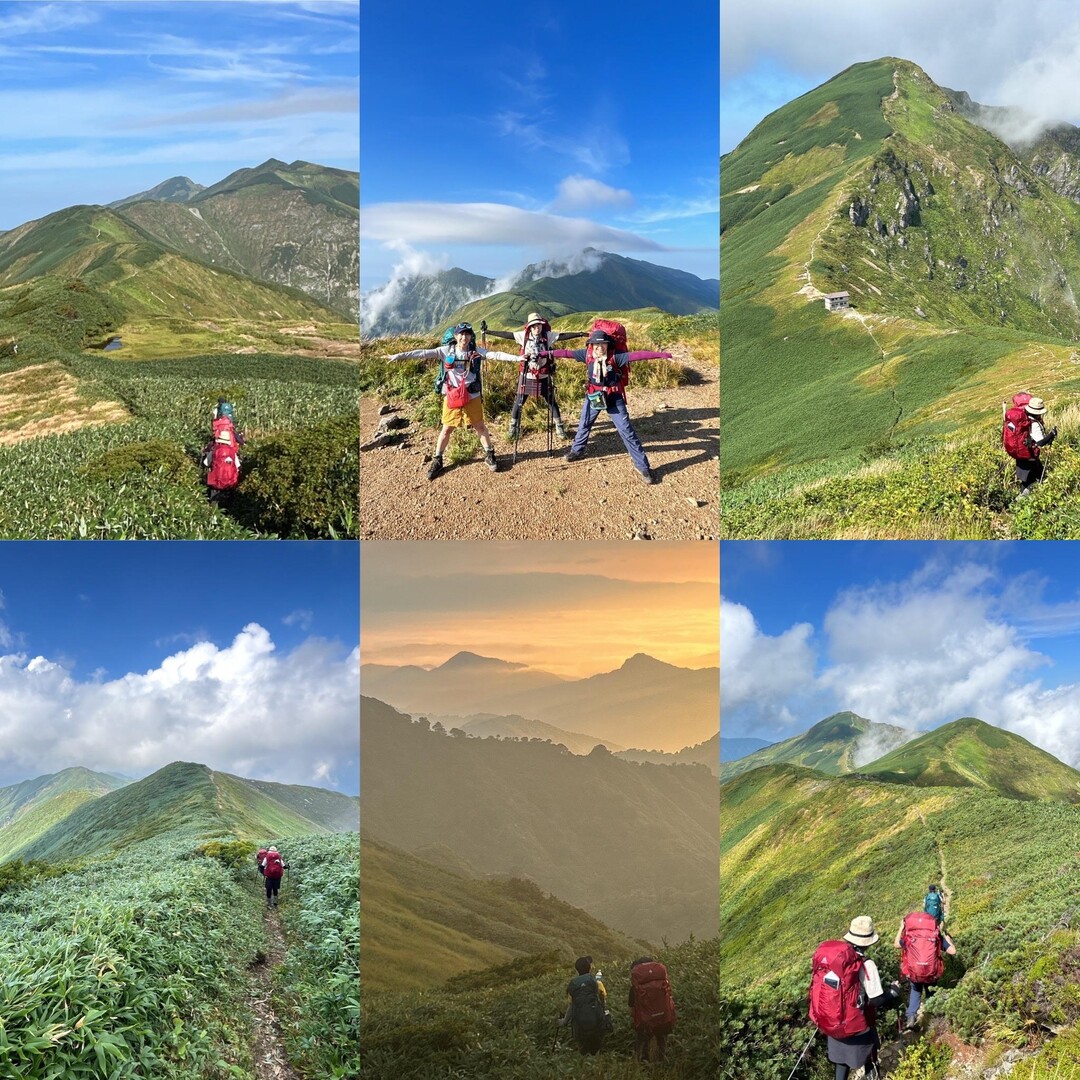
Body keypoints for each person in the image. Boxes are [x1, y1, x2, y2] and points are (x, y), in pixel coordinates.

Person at [387, 323, 519, 480]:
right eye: (461, 334)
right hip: (452, 395)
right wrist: (398, 356)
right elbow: (422, 353)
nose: (464, 337)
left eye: (467, 334)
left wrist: (518, 358)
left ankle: (489, 454)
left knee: (479, 426)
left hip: (471, 394)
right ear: (456, 336)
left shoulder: (475, 352)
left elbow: (495, 354)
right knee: (447, 428)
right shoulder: (445, 351)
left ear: (471, 336)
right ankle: (438, 459)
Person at [547, 330, 673, 484]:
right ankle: (577, 451)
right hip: (594, 397)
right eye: (596, 344)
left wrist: (664, 355)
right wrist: (544, 353)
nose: (600, 347)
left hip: (613, 398)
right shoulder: (586, 355)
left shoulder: (616, 357)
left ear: (608, 345)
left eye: (603, 344)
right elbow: (566, 353)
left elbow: (638, 355)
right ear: (591, 345)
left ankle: (643, 467)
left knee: (626, 430)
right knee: (584, 424)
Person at [821, 916, 901, 1080]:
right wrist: (893, 991)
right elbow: (876, 999)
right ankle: (873, 1076)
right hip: (858, 1024)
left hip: (834, 1021)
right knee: (870, 1057)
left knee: (841, 1062)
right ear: (869, 942)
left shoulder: (834, 958)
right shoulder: (866, 964)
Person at [493, 311, 580, 440]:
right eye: (533, 326)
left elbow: (563, 336)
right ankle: (513, 427)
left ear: (542, 325)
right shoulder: (524, 336)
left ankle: (559, 426)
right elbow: (508, 335)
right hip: (527, 374)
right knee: (519, 401)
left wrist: (580, 334)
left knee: (550, 401)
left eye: (538, 325)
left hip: (543, 374)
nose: (536, 328)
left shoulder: (547, 336)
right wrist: (488, 332)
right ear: (529, 327)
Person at [895, 914, 955, 1030]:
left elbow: (896, 944)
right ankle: (931, 1018)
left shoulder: (909, 936)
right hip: (931, 973)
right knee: (930, 992)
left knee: (916, 990)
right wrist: (947, 939)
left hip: (915, 973)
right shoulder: (936, 937)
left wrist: (901, 928)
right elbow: (952, 951)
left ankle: (911, 1017)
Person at [1003, 394, 1057, 495]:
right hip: (1029, 456)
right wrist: (1051, 434)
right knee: (1038, 478)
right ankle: (1023, 502)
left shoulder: (1025, 419)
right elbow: (1040, 442)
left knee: (1026, 481)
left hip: (1021, 454)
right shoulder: (1034, 423)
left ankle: (1021, 500)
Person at [629, 955, 676, 1063]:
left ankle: (643, 1065)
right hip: (663, 1018)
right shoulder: (662, 982)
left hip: (645, 1022)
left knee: (642, 1044)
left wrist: (634, 1022)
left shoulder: (635, 988)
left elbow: (631, 1008)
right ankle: (662, 1063)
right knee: (661, 1043)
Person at [559, 955, 608, 1056]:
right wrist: (603, 1012)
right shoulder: (597, 983)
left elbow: (571, 1006)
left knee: (583, 1051)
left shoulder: (573, 984)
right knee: (596, 1049)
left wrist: (564, 1021)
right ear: (590, 967)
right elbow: (603, 999)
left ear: (577, 969)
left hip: (579, 1024)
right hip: (595, 1021)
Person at [203, 399, 245, 503]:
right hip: (229, 483)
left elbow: (206, 464)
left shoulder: (215, 450)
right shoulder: (232, 451)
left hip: (216, 482)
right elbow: (238, 466)